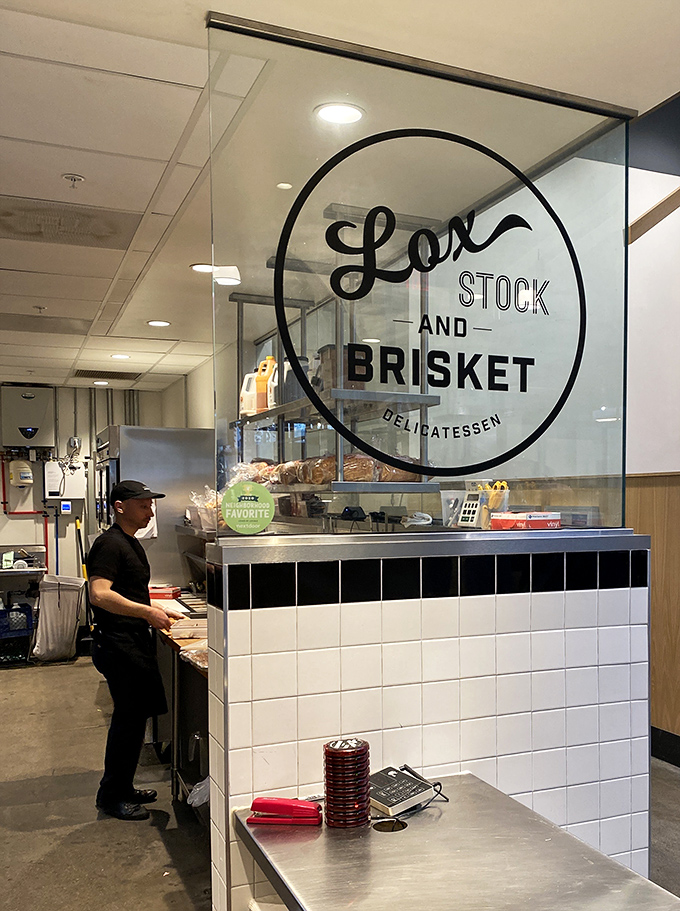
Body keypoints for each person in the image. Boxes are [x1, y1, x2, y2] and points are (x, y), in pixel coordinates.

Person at [87, 479, 184, 820]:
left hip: (130, 640)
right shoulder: (110, 544)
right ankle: (111, 797)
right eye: (143, 505)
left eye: (151, 504)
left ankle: (123, 787)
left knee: (134, 721)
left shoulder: (129, 542)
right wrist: (147, 612)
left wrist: (156, 607)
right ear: (120, 506)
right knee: (127, 724)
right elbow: (99, 594)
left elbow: (128, 590)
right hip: (117, 644)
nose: (150, 510)